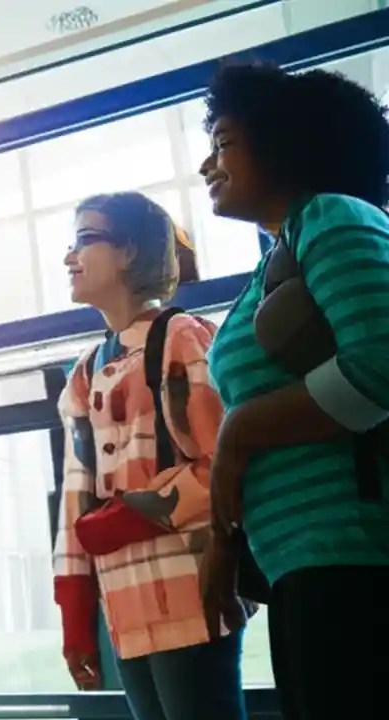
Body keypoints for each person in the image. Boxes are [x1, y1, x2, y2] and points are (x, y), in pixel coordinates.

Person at [198, 63, 389, 719]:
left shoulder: (330, 218)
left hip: (355, 559)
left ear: (284, 142)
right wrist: (227, 540)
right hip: (308, 567)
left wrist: (239, 432)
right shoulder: (277, 254)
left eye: (223, 142)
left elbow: (382, 364)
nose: (206, 164)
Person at [52, 191, 249, 720]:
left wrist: (130, 515)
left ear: (131, 252)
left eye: (86, 240)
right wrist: (75, 615)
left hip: (193, 594)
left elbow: (225, 466)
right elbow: (75, 504)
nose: (70, 257)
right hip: (122, 609)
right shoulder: (85, 371)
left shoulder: (182, 337)